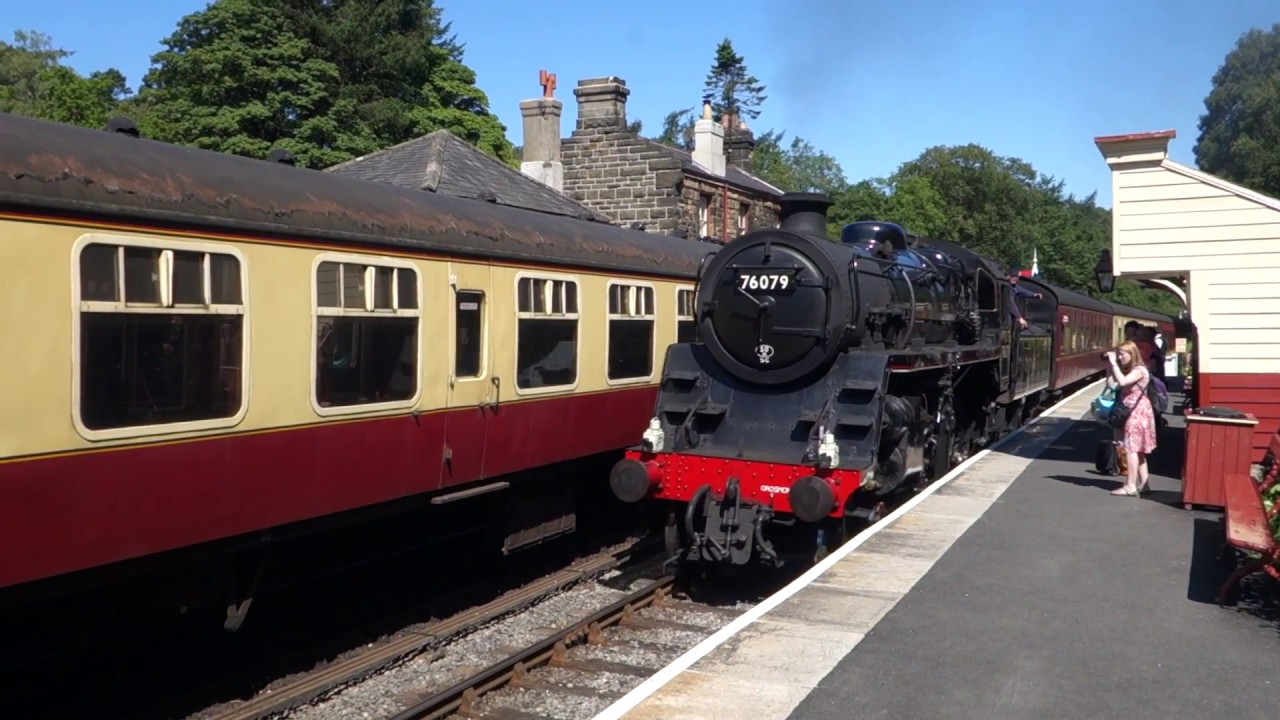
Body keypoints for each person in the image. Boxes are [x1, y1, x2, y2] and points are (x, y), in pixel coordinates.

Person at [1104, 341, 1157, 497]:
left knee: (1131, 448)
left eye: (1122, 354)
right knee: (1138, 450)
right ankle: (1144, 484)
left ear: (1132, 354)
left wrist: (1114, 364)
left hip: (1137, 412)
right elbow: (1113, 385)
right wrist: (1110, 369)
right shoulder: (1130, 370)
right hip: (1130, 411)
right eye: (1118, 354)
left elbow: (1123, 382)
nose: (1120, 357)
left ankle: (1130, 485)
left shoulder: (1140, 370)